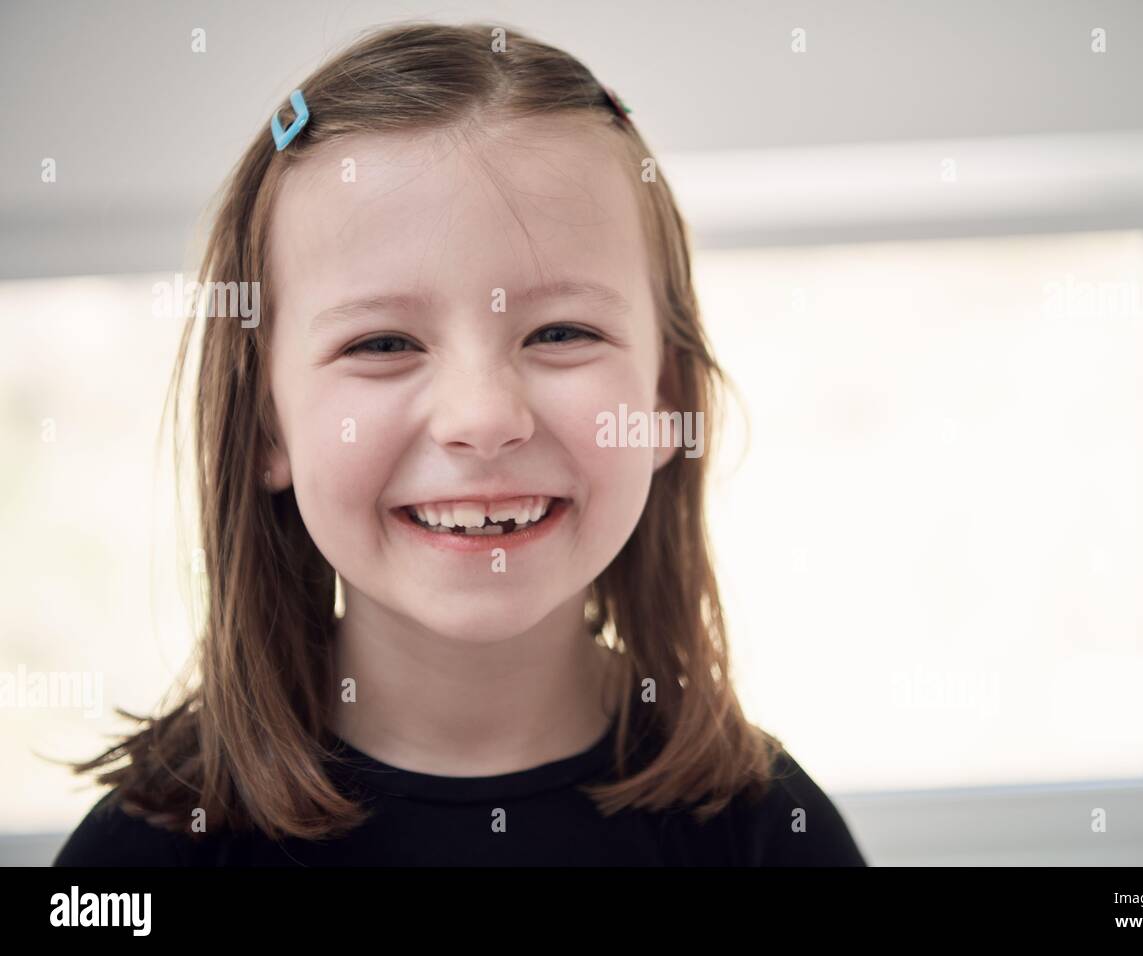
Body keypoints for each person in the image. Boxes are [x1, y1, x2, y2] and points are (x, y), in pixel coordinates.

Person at [52, 21, 867, 867]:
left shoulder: (768, 833)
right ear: (266, 426)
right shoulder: (143, 856)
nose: (482, 418)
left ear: (666, 401)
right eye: (382, 344)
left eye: (560, 331)